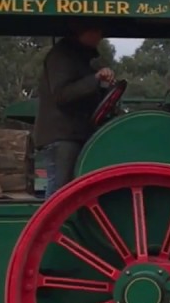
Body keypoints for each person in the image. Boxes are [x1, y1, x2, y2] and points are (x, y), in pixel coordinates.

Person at [32, 23, 114, 198]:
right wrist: (95, 79)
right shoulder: (61, 56)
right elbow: (62, 95)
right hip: (62, 136)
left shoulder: (79, 57)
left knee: (67, 193)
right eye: (97, 31)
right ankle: (51, 225)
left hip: (74, 134)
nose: (100, 36)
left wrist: (103, 85)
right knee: (59, 193)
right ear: (82, 31)